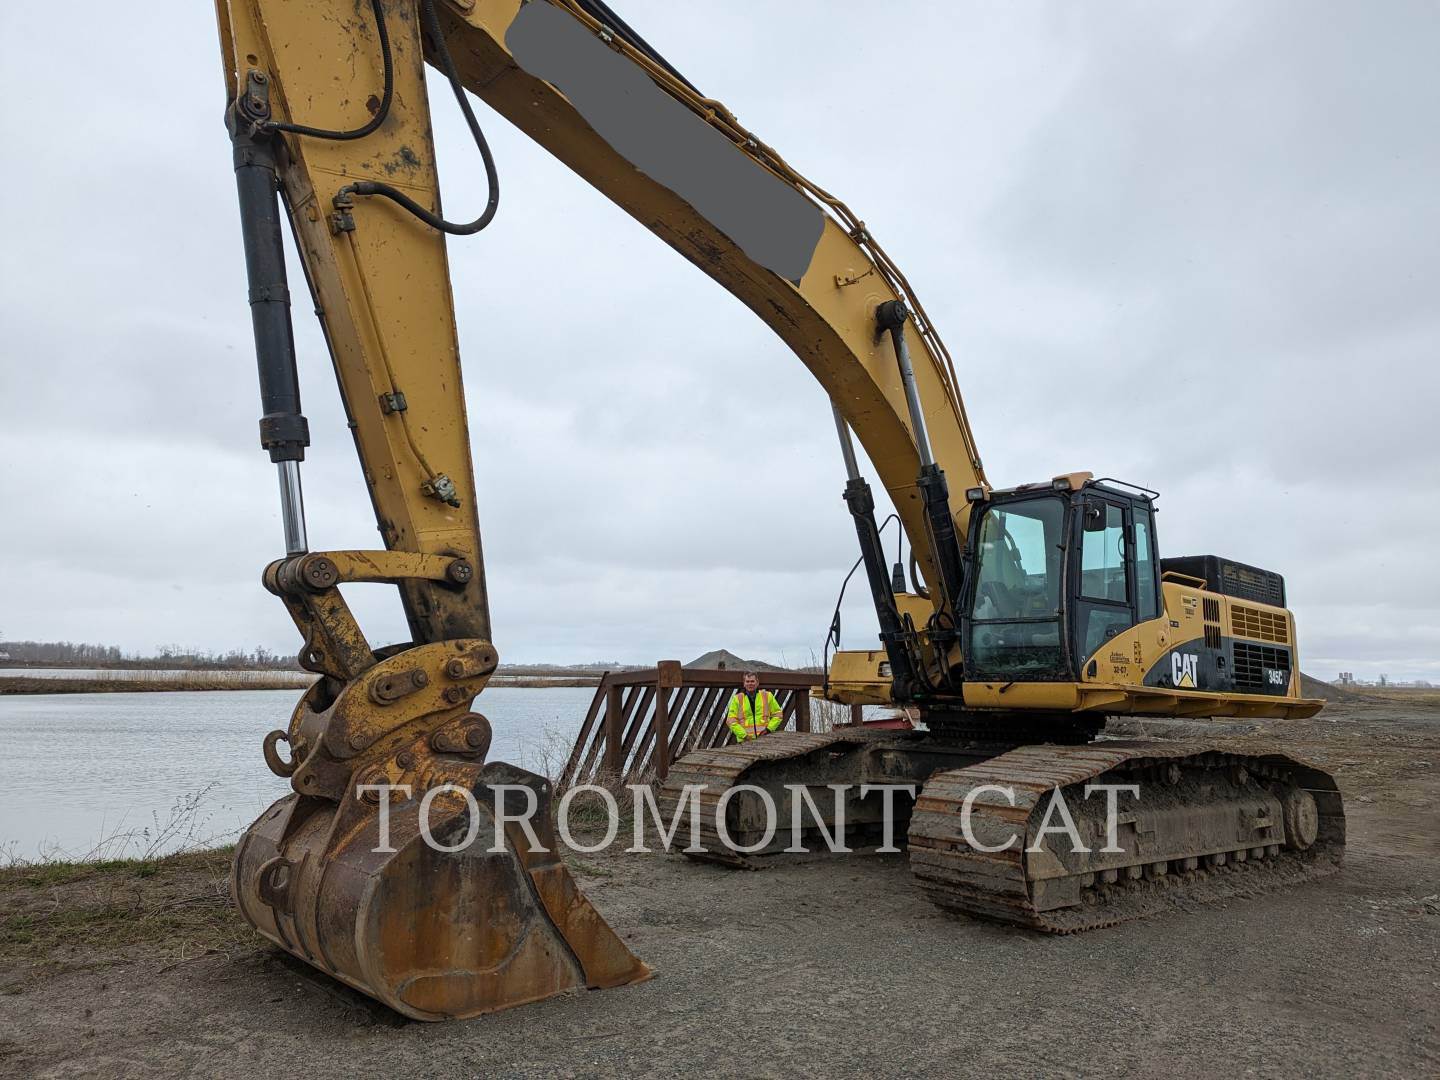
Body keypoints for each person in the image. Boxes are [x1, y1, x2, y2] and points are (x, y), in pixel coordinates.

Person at [727, 671, 784, 742]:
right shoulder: (737, 699)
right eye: (747, 681)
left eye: (752, 681)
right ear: (744, 684)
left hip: (765, 739)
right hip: (745, 741)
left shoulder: (767, 696)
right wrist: (744, 735)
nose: (750, 683)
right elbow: (731, 721)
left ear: (757, 683)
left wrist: (769, 729)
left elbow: (778, 715)